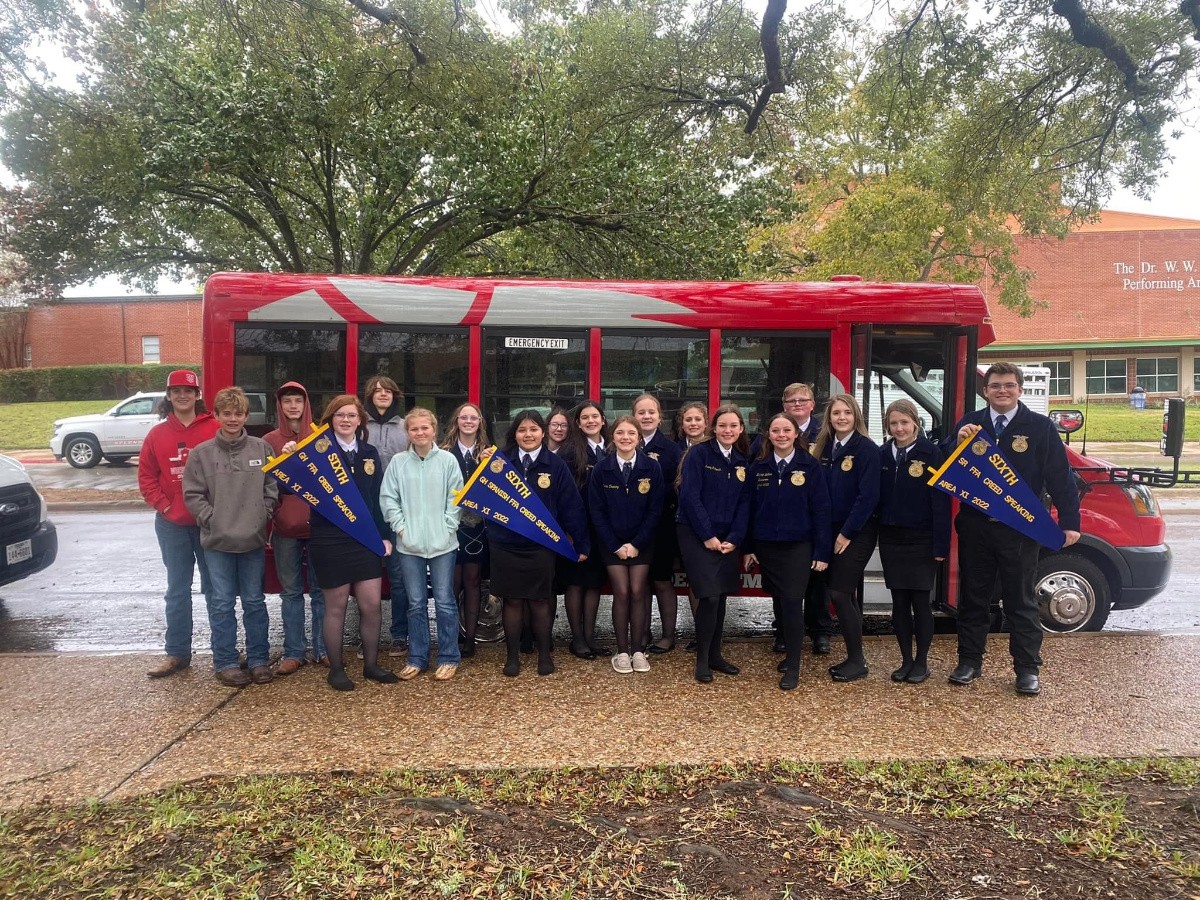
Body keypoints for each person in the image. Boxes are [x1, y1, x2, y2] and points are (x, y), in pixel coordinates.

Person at [948, 362, 1080, 696]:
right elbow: (946, 466)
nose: (1002, 391)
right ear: (985, 390)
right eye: (995, 386)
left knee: (1020, 601)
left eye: (1009, 385)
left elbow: (1059, 476)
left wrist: (1069, 522)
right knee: (973, 599)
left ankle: (1026, 669)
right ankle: (969, 662)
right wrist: (955, 443)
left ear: (1020, 389)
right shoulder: (970, 423)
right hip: (977, 528)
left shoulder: (1038, 427)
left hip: (1019, 531)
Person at [182, 387, 278, 688]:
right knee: (221, 603)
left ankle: (259, 660)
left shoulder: (262, 449)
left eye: (238, 413)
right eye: (227, 414)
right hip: (217, 543)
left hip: (252, 539)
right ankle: (225, 661)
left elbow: (272, 487)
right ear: (217, 415)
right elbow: (193, 495)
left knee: (253, 601)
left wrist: (262, 514)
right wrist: (213, 520)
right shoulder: (201, 454)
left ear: (246, 415)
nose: (233, 419)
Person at [300, 394, 396, 691]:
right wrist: (291, 456)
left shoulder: (369, 453)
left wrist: (385, 536)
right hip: (329, 539)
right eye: (340, 415)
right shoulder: (316, 452)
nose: (346, 420)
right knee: (336, 607)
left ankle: (371, 665)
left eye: (351, 416)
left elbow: (378, 498)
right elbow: (287, 484)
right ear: (331, 420)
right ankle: (337, 669)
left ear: (360, 420)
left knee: (371, 605)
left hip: (365, 538)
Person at [488, 410, 589, 677]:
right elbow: (485, 500)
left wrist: (580, 544)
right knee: (511, 602)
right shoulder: (500, 463)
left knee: (540, 601)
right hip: (506, 544)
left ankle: (544, 655)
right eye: (522, 430)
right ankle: (512, 657)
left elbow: (572, 507)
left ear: (542, 433)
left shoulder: (555, 466)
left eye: (533, 429)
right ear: (515, 434)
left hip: (541, 546)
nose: (528, 435)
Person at [138, 369, 220, 679]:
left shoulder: (214, 428)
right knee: (177, 590)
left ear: (197, 394)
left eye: (188, 390)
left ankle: (224, 651)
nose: (182, 396)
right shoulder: (157, 434)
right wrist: (165, 504)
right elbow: (146, 477)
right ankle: (177, 653)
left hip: (208, 524)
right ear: (169, 396)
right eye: (176, 391)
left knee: (217, 590)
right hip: (172, 525)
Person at [744, 412, 832, 690]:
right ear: (768, 435)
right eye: (775, 430)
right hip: (767, 546)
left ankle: (793, 666)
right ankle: (789, 650)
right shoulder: (758, 468)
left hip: (799, 546)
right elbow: (748, 511)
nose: (781, 435)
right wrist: (748, 547)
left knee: (793, 601)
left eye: (786, 430)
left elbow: (821, 511)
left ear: (796, 435)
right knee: (780, 600)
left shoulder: (810, 467)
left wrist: (822, 551)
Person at [380, 408, 464, 681]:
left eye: (424, 428)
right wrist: (401, 529)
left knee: (445, 601)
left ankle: (449, 656)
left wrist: (448, 527)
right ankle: (417, 657)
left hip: (444, 544)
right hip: (409, 546)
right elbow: (388, 498)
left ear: (434, 429)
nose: (419, 433)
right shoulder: (398, 462)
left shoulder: (448, 461)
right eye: (414, 429)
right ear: (408, 433)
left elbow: (456, 497)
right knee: (415, 603)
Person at [675, 404, 751, 684]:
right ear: (713, 428)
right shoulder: (699, 453)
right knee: (709, 596)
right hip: (696, 535)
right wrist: (708, 535)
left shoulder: (743, 460)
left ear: (741, 429)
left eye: (733, 426)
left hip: (727, 540)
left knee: (721, 596)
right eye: (722, 426)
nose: (728, 430)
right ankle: (703, 660)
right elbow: (690, 497)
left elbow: (745, 503)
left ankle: (716, 655)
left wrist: (734, 538)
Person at [877, 399, 950, 685]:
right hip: (892, 538)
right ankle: (905, 659)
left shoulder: (931, 453)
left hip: (922, 538)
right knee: (898, 602)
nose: (899, 428)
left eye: (904, 423)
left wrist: (940, 545)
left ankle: (922, 662)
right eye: (893, 423)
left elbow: (940, 502)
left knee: (920, 602)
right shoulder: (882, 454)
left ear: (915, 424)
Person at [812, 394, 880, 683]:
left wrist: (847, 533)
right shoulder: (823, 448)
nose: (841, 418)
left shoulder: (866, 449)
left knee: (840, 593)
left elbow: (868, 497)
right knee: (839, 592)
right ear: (829, 418)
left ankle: (857, 660)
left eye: (847, 413)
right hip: (828, 529)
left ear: (856, 417)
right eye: (836, 413)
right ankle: (854, 657)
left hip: (856, 532)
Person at [588, 414, 665, 673]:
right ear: (613, 437)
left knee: (637, 590)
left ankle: (639, 651)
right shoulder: (601, 469)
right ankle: (622, 652)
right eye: (620, 433)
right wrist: (615, 545)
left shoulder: (651, 468)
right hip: (612, 544)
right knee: (621, 592)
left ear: (639, 438)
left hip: (642, 542)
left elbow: (656, 509)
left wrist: (637, 543)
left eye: (631, 434)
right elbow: (596, 511)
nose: (626, 438)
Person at [262, 381, 326, 674]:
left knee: (321, 590)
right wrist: (283, 461)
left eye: (297, 401)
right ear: (280, 405)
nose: (292, 406)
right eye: (287, 401)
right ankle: (294, 652)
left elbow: (328, 480)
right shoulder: (269, 440)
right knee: (290, 591)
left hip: (319, 524)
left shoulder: (322, 437)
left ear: (306, 404)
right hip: (286, 524)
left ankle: (323, 648)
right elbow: (266, 484)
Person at [557, 400, 611, 659]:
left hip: (605, 530)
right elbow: (563, 496)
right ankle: (576, 639)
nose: (591, 421)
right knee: (576, 583)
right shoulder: (568, 453)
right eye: (585, 418)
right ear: (578, 424)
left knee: (594, 584)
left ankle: (590, 638)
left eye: (595, 416)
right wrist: (569, 531)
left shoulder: (613, 448)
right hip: (577, 528)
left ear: (603, 420)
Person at [363, 375, 410, 659]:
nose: (382, 394)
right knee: (365, 576)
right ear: (369, 395)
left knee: (398, 576)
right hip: (365, 510)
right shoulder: (359, 425)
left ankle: (398, 635)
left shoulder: (405, 427)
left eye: (388, 390)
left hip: (396, 510)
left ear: (395, 395)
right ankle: (366, 639)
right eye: (376, 390)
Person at [632, 393, 683, 654]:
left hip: (661, 526)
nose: (646, 416)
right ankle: (641, 631)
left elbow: (677, 488)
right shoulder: (622, 443)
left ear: (660, 416)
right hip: (631, 527)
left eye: (651, 412)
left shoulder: (672, 449)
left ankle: (667, 634)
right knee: (638, 584)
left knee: (662, 581)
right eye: (641, 412)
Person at [440, 402, 490, 658]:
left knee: (472, 582)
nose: (469, 422)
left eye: (474, 418)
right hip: (449, 526)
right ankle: (452, 636)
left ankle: (470, 639)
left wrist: (486, 467)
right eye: (464, 417)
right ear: (456, 421)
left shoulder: (489, 453)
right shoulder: (443, 451)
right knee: (451, 583)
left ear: (480, 422)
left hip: (477, 527)